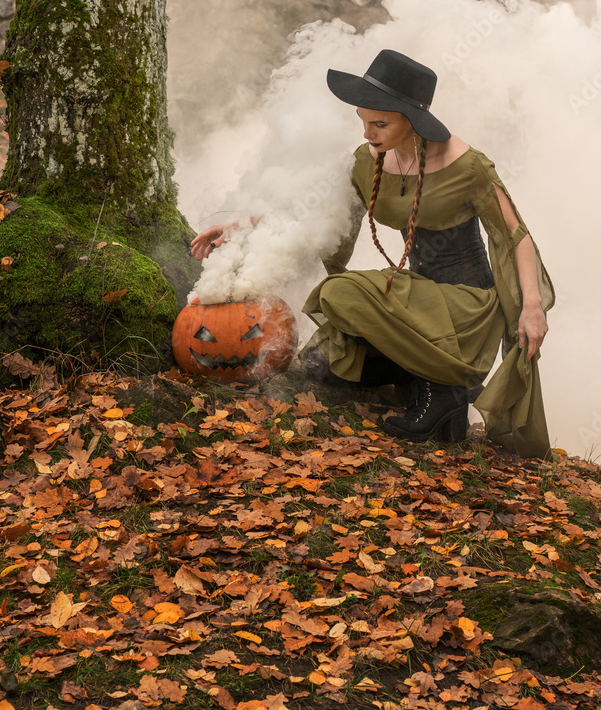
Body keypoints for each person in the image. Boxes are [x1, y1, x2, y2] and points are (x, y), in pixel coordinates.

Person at [190, 49, 554, 459]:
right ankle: (441, 386)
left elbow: (516, 236)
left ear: (412, 120)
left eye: (379, 124)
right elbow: (318, 211)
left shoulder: (467, 167)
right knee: (327, 364)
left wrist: (532, 307)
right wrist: (241, 225)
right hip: (418, 297)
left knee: (339, 293)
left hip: (467, 305)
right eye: (363, 121)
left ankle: (443, 388)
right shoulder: (369, 161)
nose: (367, 133)